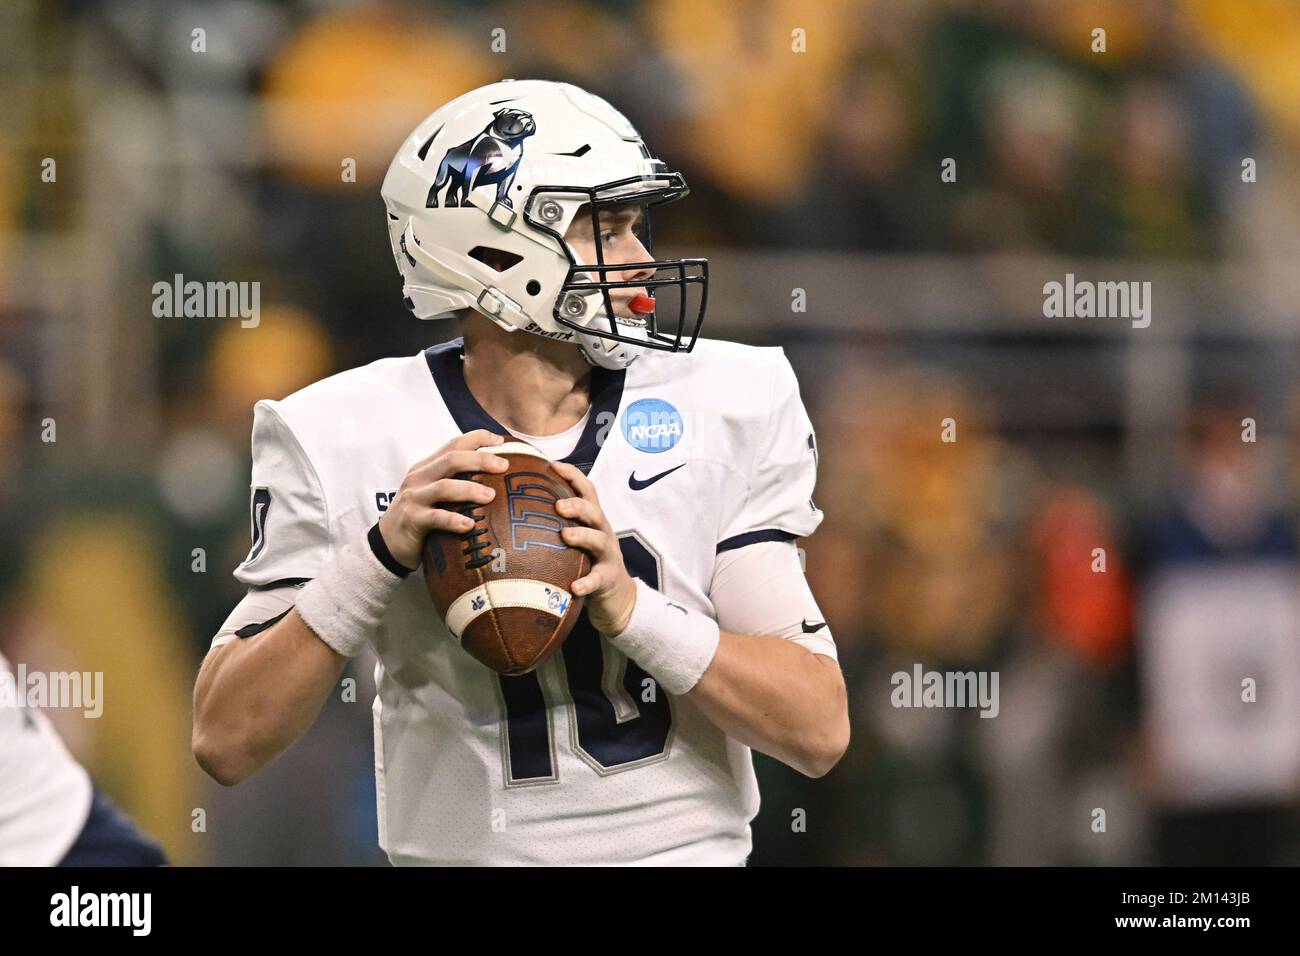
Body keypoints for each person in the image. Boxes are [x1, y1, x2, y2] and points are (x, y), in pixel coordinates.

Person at [192, 79, 848, 865]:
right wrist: (375, 557)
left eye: (636, 225)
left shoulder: (727, 400)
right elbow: (225, 740)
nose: (642, 259)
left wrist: (633, 611)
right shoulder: (341, 433)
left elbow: (817, 727)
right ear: (494, 248)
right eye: (605, 227)